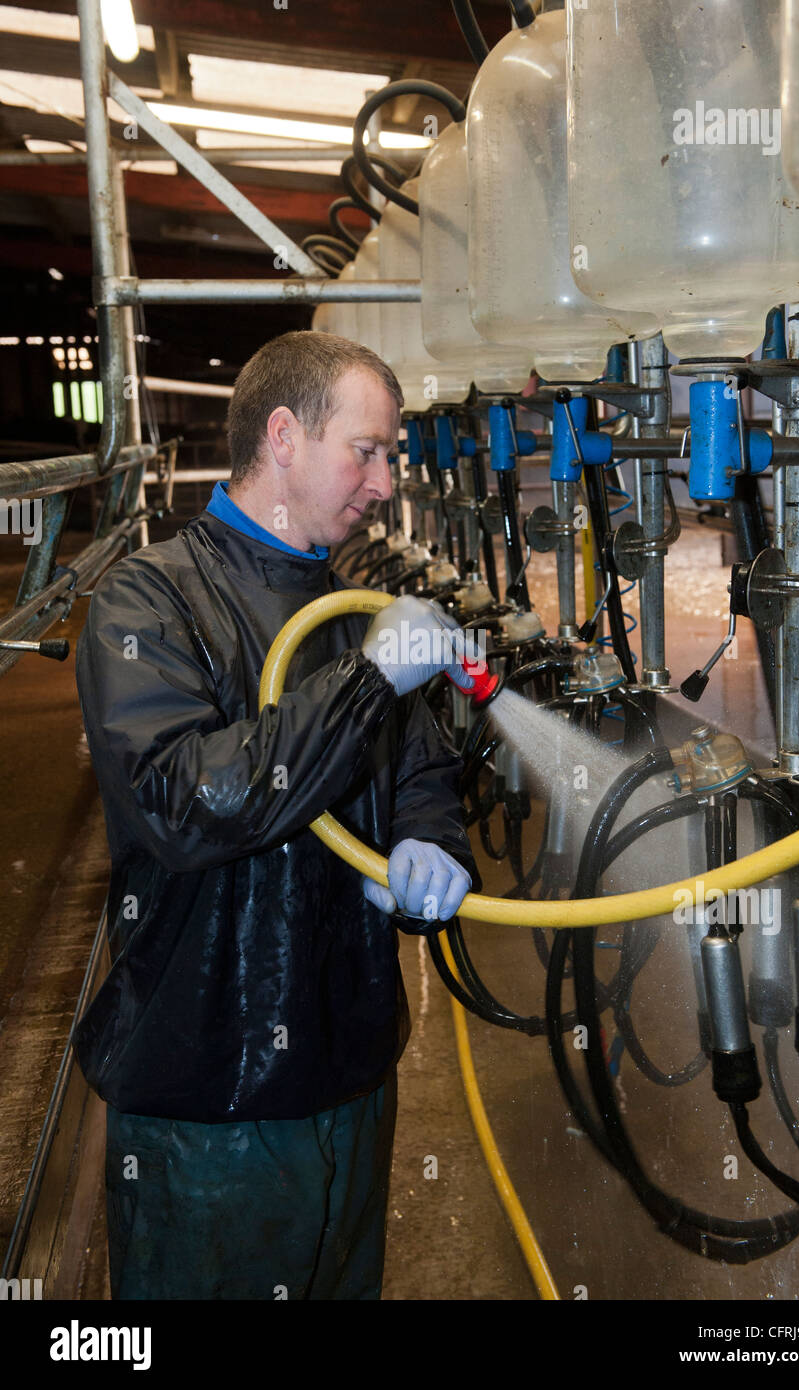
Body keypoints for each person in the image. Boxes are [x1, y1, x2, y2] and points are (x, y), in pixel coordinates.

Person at [73, 330, 481, 1300]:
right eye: (368, 450)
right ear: (285, 436)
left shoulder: (351, 612)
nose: (384, 484)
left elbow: (419, 776)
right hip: (208, 1100)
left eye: (393, 457)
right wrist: (369, 678)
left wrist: (431, 844)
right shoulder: (148, 598)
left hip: (349, 1075)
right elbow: (190, 802)